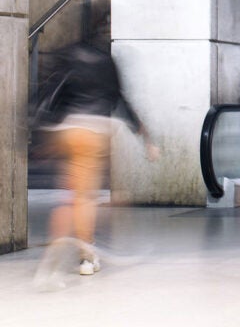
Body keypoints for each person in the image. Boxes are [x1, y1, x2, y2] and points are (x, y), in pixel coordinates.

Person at [35, 21, 158, 277]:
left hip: (66, 130)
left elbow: (51, 92)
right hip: (93, 131)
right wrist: (142, 133)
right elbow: (119, 99)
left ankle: (56, 247)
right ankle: (86, 256)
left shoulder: (68, 54)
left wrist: (42, 129)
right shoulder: (106, 61)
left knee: (69, 194)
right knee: (85, 197)